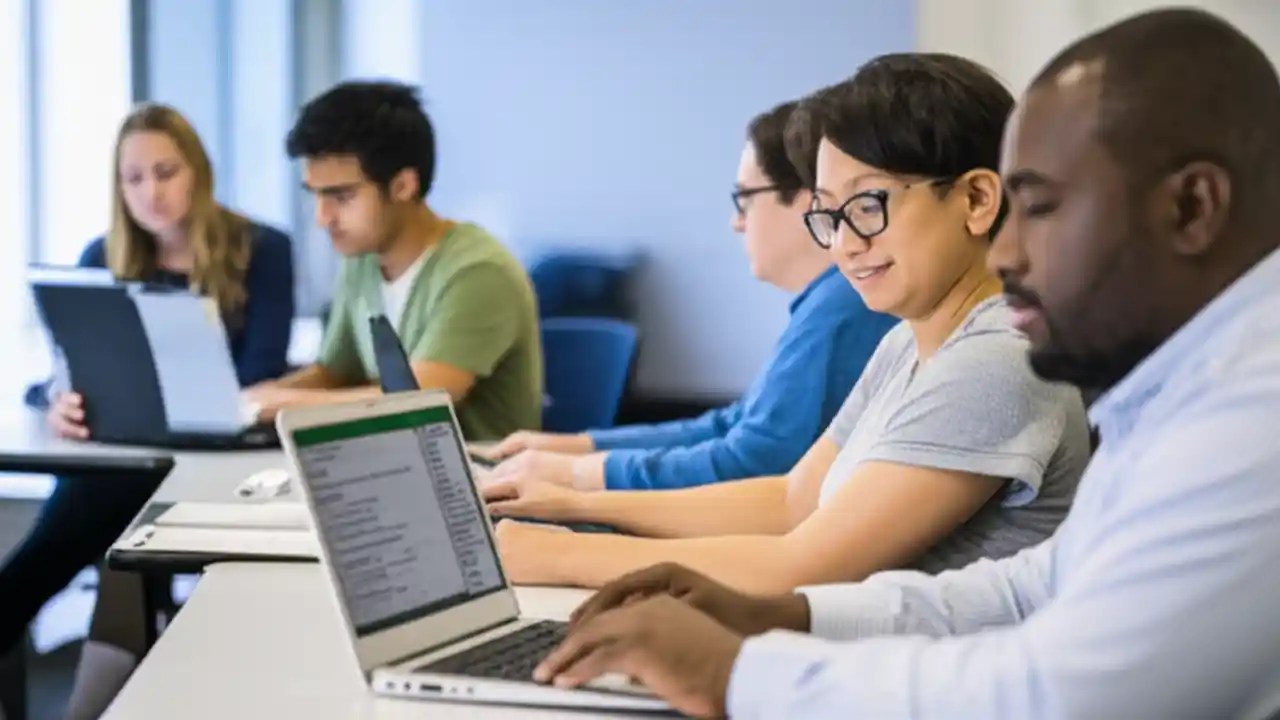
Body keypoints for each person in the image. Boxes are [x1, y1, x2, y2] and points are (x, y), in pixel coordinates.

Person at [529, 9, 1280, 719]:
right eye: (832, 213)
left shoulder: (1250, 421)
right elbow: (1034, 587)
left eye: (1042, 208)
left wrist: (736, 668)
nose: (1011, 253)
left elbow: (1051, 697)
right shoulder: (1179, 388)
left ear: (1191, 208)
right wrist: (784, 614)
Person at [481, 55, 1090, 592]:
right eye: (829, 215)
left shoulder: (996, 360)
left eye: (868, 205)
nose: (845, 244)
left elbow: (802, 564)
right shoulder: (911, 339)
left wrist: (564, 548)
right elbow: (791, 499)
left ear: (977, 200)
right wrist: (576, 503)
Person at [0, 103, 295, 719]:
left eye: (166, 172)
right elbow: (60, 369)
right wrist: (61, 400)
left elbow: (260, 373)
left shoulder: (261, 250)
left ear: (198, 172)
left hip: (214, 469)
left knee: (114, 552)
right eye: (133, 178)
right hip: (121, 461)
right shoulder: (99, 255)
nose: (151, 192)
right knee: (70, 553)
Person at [482, 99, 897, 492]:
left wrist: (577, 473)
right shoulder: (830, 301)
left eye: (745, 200)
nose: (737, 223)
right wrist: (572, 448)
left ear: (811, 204)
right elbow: (733, 425)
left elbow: (751, 461)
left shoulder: (842, 309)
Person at [243, 81, 542, 441]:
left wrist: (276, 404)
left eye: (341, 196)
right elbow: (334, 372)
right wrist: (249, 401)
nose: (323, 217)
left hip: (478, 482)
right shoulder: (362, 259)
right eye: (316, 195)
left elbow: (418, 404)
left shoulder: (479, 272)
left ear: (402, 186)